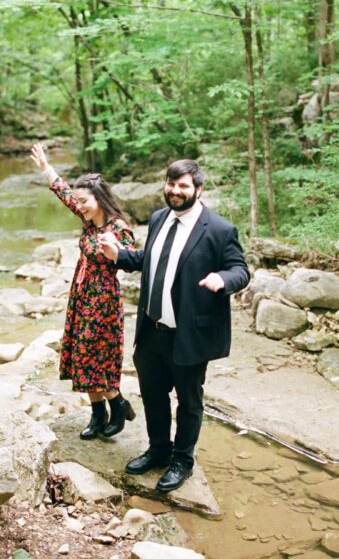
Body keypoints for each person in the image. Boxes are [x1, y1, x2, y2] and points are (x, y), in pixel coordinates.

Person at [98, 159, 248, 494]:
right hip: (152, 329)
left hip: (190, 334)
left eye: (183, 186)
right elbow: (148, 260)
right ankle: (158, 450)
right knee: (152, 395)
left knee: (189, 401)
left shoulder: (220, 230)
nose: (175, 191)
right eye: (171, 184)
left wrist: (221, 279)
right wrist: (118, 254)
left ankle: (182, 460)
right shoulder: (158, 218)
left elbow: (241, 270)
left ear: (198, 189)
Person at [29, 148, 137, 438]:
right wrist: (46, 167)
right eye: (78, 202)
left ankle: (117, 404)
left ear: (99, 199)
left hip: (103, 301)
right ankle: (98, 415)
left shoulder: (117, 227)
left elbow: (134, 261)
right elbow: (64, 193)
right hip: (81, 298)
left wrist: (117, 250)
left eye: (85, 201)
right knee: (80, 355)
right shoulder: (89, 220)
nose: (80, 206)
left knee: (96, 356)